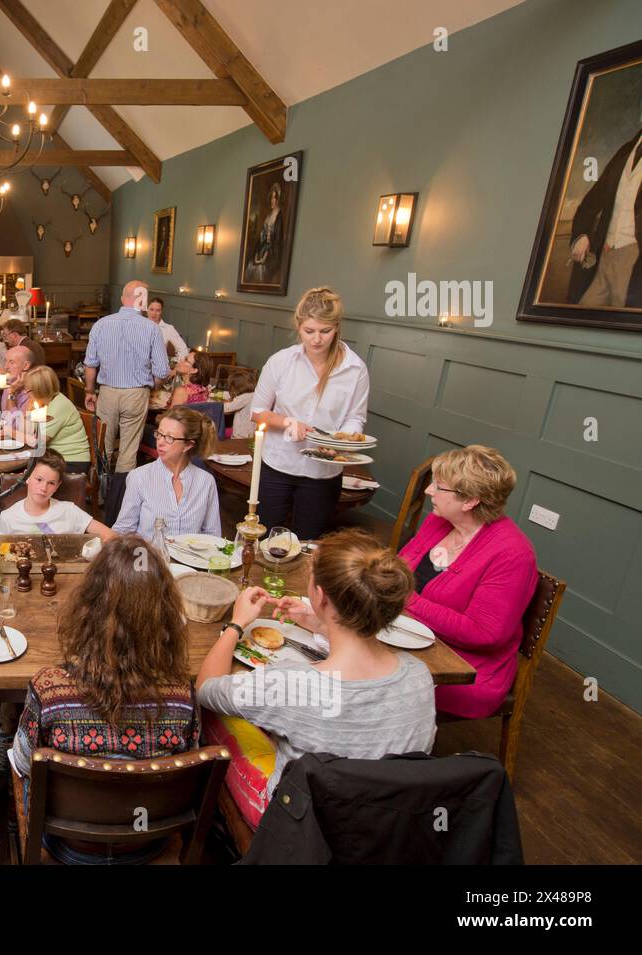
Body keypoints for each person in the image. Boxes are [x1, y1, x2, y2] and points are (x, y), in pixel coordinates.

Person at [196, 530, 437, 829]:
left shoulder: (294, 683)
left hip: (297, 826)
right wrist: (322, 624)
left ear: (320, 596)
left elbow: (206, 689)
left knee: (213, 712)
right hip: (385, 823)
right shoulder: (420, 676)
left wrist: (236, 623)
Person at [6, 535, 200, 863]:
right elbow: (186, 765)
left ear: (88, 604)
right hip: (149, 844)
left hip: (68, 848)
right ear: (164, 612)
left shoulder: (49, 690)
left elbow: (25, 764)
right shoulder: (182, 697)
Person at [397, 446, 538, 719]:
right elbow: (397, 572)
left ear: (470, 500)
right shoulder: (440, 521)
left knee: (361, 674)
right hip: (409, 635)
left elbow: (484, 633)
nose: (428, 491)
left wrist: (406, 600)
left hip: (463, 670)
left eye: (438, 486)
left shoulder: (512, 555)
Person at [251, 286, 370, 540]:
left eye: (325, 331)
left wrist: (339, 443)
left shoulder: (355, 369)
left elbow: (355, 417)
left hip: (323, 472)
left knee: (309, 543)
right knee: (264, 539)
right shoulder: (281, 362)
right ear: (298, 326)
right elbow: (258, 412)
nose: (316, 339)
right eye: (309, 331)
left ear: (336, 327)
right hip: (277, 466)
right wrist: (287, 422)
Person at [84, 280, 170, 484]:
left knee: (103, 445)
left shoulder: (101, 324)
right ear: (143, 301)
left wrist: (89, 391)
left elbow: (90, 364)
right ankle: (121, 497)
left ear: (123, 299)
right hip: (136, 393)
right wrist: (153, 388)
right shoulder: (151, 328)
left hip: (107, 392)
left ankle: (100, 494)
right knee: (129, 450)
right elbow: (162, 371)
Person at [568, 97, 642, 308]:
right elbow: (591, 201)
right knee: (581, 313)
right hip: (604, 254)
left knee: (623, 326)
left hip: (634, 257)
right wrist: (580, 235)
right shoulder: (625, 151)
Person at [114, 406, 221, 540]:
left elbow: (213, 536)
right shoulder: (139, 477)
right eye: (159, 434)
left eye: (169, 437)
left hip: (190, 560)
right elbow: (123, 530)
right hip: (148, 558)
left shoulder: (206, 482)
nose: (160, 442)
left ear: (188, 445)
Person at [0, 450, 113, 539]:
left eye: (51, 483)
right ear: (27, 477)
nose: (43, 488)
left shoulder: (68, 511)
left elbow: (110, 536)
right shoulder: (8, 517)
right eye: (39, 479)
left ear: (57, 486)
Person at [16, 366, 90, 473]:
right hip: (54, 458)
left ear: (39, 390)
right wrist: (28, 408)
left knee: (22, 476)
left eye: (28, 389)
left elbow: (37, 443)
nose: (26, 392)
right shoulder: (42, 403)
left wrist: (11, 432)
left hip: (71, 462)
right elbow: (27, 432)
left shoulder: (58, 406)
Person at [147, 296, 189, 362]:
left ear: (161, 311)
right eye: (151, 309)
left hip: (158, 368)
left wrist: (173, 361)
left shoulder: (168, 328)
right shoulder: (139, 325)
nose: (154, 313)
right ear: (147, 309)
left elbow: (183, 350)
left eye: (157, 310)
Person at [222, 368, 257, 437]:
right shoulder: (252, 395)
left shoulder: (244, 398)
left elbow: (227, 408)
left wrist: (214, 405)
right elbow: (231, 396)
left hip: (241, 435)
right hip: (248, 432)